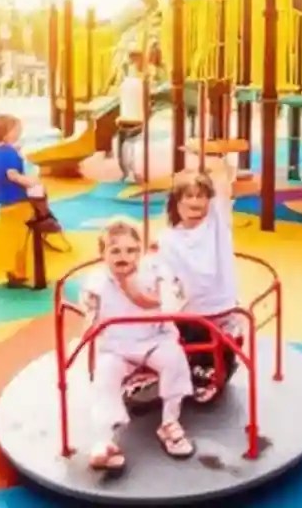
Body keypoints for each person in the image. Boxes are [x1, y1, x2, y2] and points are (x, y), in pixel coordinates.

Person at [80, 221, 196, 474]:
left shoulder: (153, 270)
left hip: (154, 339)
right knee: (104, 376)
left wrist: (158, 294)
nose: (124, 257)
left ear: (141, 252)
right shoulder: (97, 280)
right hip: (117, 346)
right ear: (103, 254)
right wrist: (90, 310)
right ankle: (105, 439)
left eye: (131, 250)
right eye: (116, 251)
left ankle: (169, 422)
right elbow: (89, 314)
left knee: (174, 359)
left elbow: (172, 300)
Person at [155, 154, 242, 403]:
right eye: (189, 197)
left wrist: (214, 158)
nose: (196, 202)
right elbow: (168, 276)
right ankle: (189, 374)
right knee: (182, 340)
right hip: (191, 308)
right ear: (177, 203)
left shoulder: (217, 222)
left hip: (220, 304)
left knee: (221, 343)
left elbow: (223, 186)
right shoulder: (168, 238)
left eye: (201, 196)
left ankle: (221, 372)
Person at [0, 114, 43, 287]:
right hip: (15, 202)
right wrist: (30, 182)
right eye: (16, 130)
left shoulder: (2, 151)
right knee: (19, 239)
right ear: (6, 134)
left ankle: (17, 272)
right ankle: (16, 272)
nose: (20, 132)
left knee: (15, 239)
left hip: (9, 202)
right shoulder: (7, 152)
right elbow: (12, 174)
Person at [116, 49, 146, 183]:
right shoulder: (132, 76)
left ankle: (131, 171)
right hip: (128, 115)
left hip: (133, 116)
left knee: (131, 146)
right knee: (127, 145)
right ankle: (128, 171)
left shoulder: (139, 77)